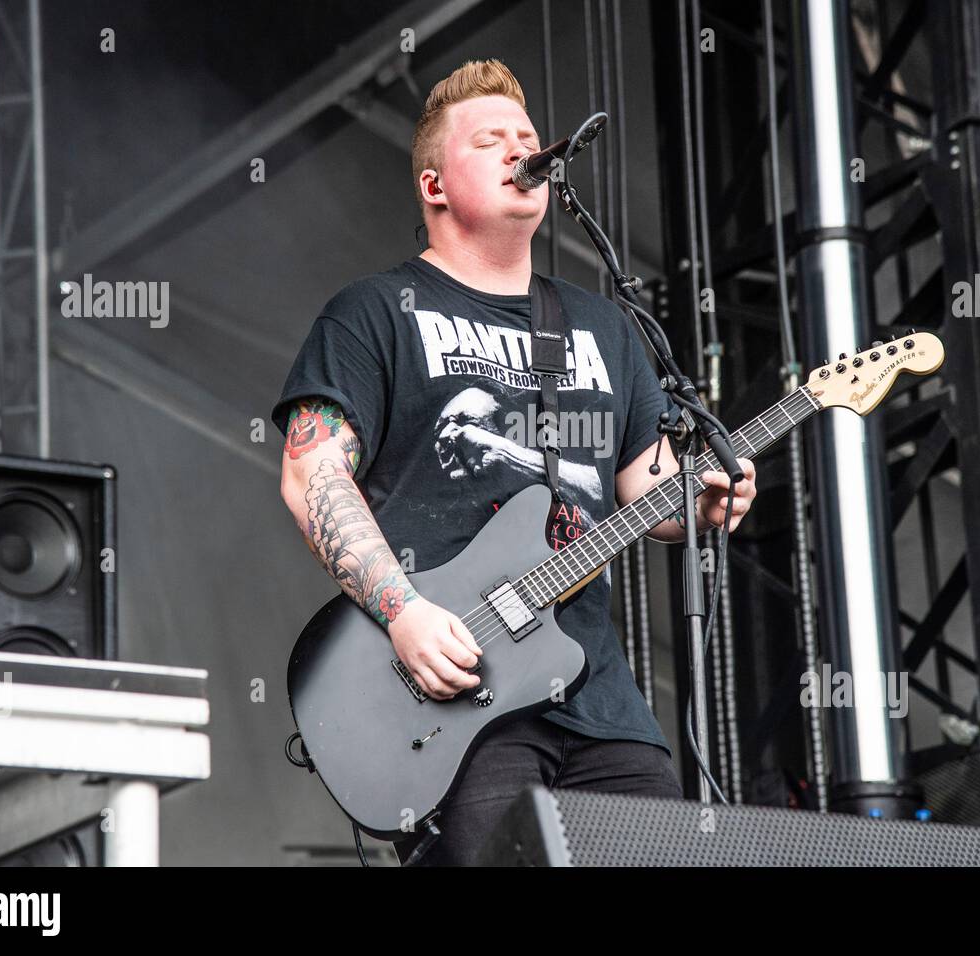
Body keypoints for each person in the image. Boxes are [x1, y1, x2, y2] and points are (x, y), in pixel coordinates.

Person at [271, 58, 757, 866]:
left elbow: (650, 493)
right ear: (433, 185)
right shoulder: (374, 314)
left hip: (598, 700)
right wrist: (404, 615)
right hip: (456, 702)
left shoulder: (604, 327)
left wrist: (703, 504)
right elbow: (311, 476)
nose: (520, 151)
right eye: (490, 140)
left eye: (528, 139)